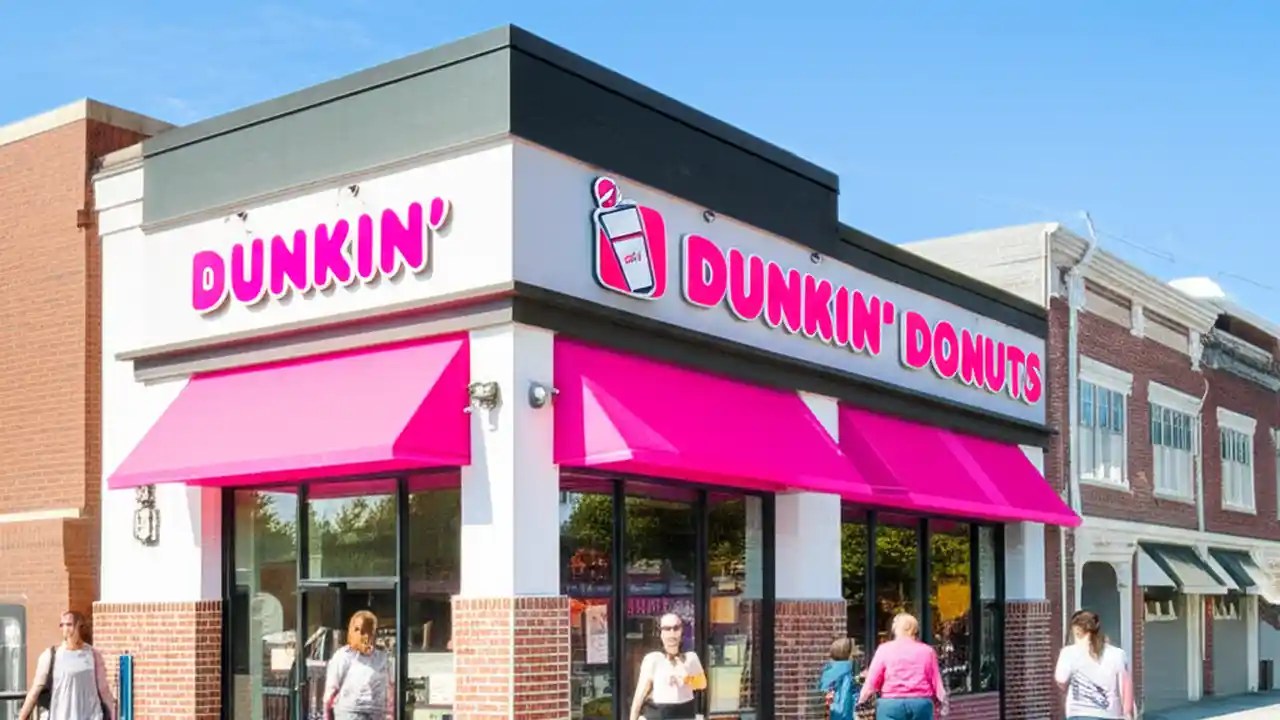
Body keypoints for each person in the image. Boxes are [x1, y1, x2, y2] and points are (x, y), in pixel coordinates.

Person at [17, 611, 117, 720]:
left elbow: (104, 691)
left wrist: (113, 715)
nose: (65, 629)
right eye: (62, 625)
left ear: (80, 626)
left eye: (69, 624)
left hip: (91, 715)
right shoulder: (51, 655)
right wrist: (22, 716)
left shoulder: (93, 655)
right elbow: (35, 690)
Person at [857, 613, 948, 720]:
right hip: (920, 703)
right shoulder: (927, 651)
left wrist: (861, 701)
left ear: (895, 629)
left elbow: (872, 681)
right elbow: (936, 680)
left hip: (891, 704)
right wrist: (942, 702)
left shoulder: (884, 650)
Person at [1054, 610, 1134, 720]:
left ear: (1077, 630)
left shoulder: (1069, 652)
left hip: (1079, 713)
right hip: (1110, 714)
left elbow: (1061, 680)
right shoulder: (1118, 654)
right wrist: (1127, 714)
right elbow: (1126, 688)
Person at [628, 612, 706, 720]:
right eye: (667, 629)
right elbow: (639, 696)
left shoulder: (691, 658)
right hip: (658, 714)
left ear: (681, 631)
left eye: (676, 628)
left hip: (685, 714)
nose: (672, 633)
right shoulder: (652, 659)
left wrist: (686, 678)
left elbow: (702, 684)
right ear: (661, 633)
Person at [323, 611, 395, 720]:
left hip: (376, 712)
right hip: (349, 711)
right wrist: (327, 715)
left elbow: (390, 690)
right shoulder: (343, 656)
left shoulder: (381, 658)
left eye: (368, 631)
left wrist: (390, 714)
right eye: (358, 630)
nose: (364, 636)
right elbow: (331, 689)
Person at [819, 637, 862, 720]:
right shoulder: (845, 675)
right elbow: (843, 706)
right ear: (847, 654)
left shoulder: (828, 672)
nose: (855, 656)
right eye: (853, 654)